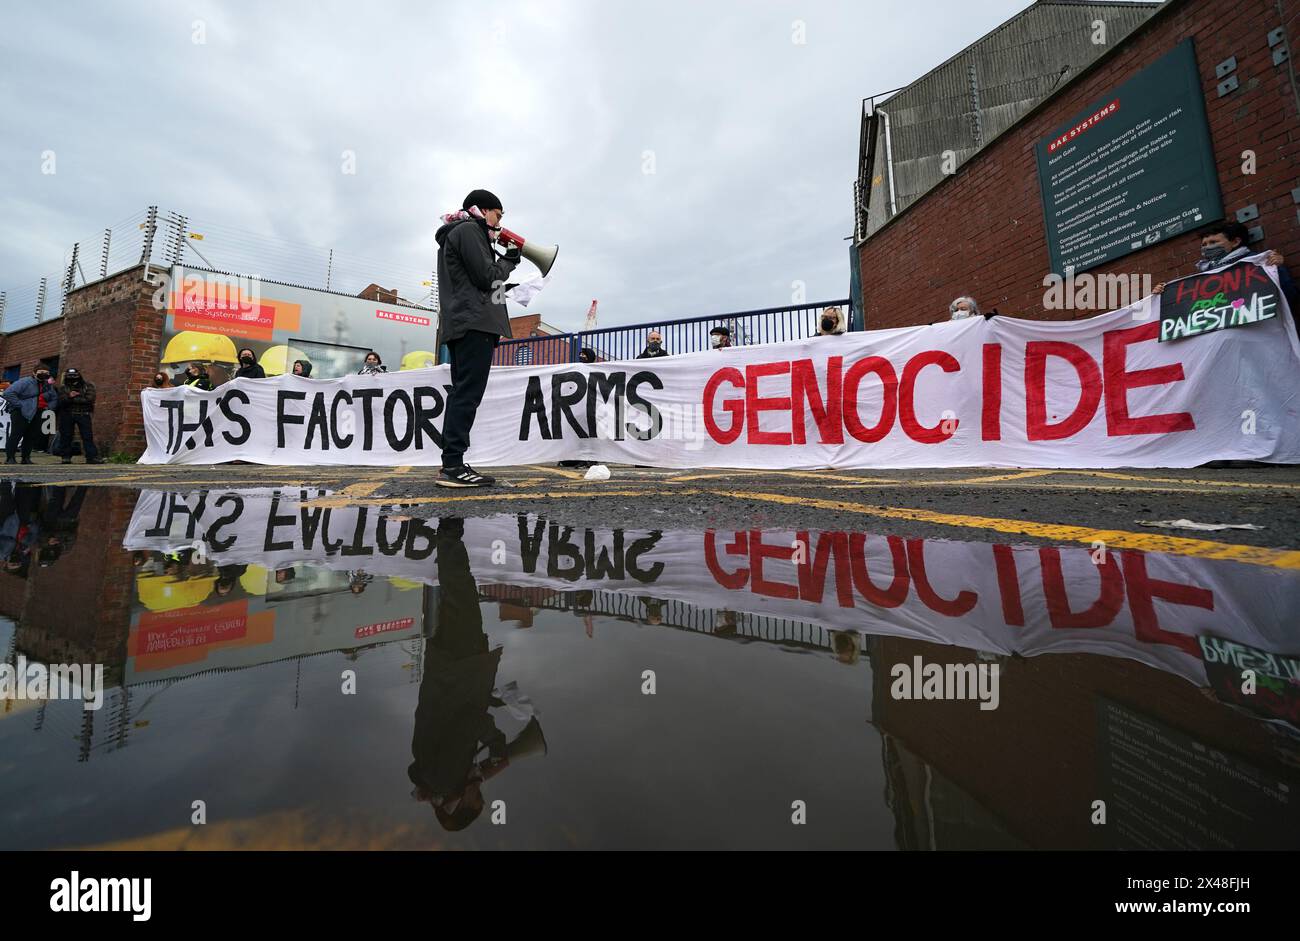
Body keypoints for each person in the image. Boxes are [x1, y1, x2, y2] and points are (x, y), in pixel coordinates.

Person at [434, 189, 522, 488]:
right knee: (467, 394)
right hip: (474, 324)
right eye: (499, 215)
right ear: (484, 211)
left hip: (467, 321)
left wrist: (506, 284)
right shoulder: (471, 230)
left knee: (463, 392)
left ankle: (453, 462)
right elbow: (487, 277)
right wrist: (509, 261)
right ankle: (453, 465)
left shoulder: (462, 232)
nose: (500, 222)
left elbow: (479, 284)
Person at [1151, 222, 1296, 312]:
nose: (1207, 247)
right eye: (1204, 244)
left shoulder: (1257, 263)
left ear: (1235, 242)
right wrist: (1165, 294)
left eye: (1213, 242)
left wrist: (1278, 270)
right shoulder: (1201, 276)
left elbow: (1290, 297)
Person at [3, 365, 58, 465]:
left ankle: (26, 458)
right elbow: (8, 393)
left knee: (31, 436)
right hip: (21, 413)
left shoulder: (48, 385)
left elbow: (54, 398)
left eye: (46, 373)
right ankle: (10, 458)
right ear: (34, 373)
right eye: (41, 372)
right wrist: (20, 405)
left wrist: (49, 407)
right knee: (16, 435)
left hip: (38, 413)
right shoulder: (25, 382)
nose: (43, 374)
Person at [54, 368, 101, 465]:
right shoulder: (63, 387)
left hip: (83, 414)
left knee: (87, 436)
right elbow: (61, 401)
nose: (72, 378)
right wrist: (70, 396)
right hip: (67, 414)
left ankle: (92, 457)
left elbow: (89, 400)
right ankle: (65, 457)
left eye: (74, 375)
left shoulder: (88, 386)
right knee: (66, 436)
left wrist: (71, 399)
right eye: (70, 376)